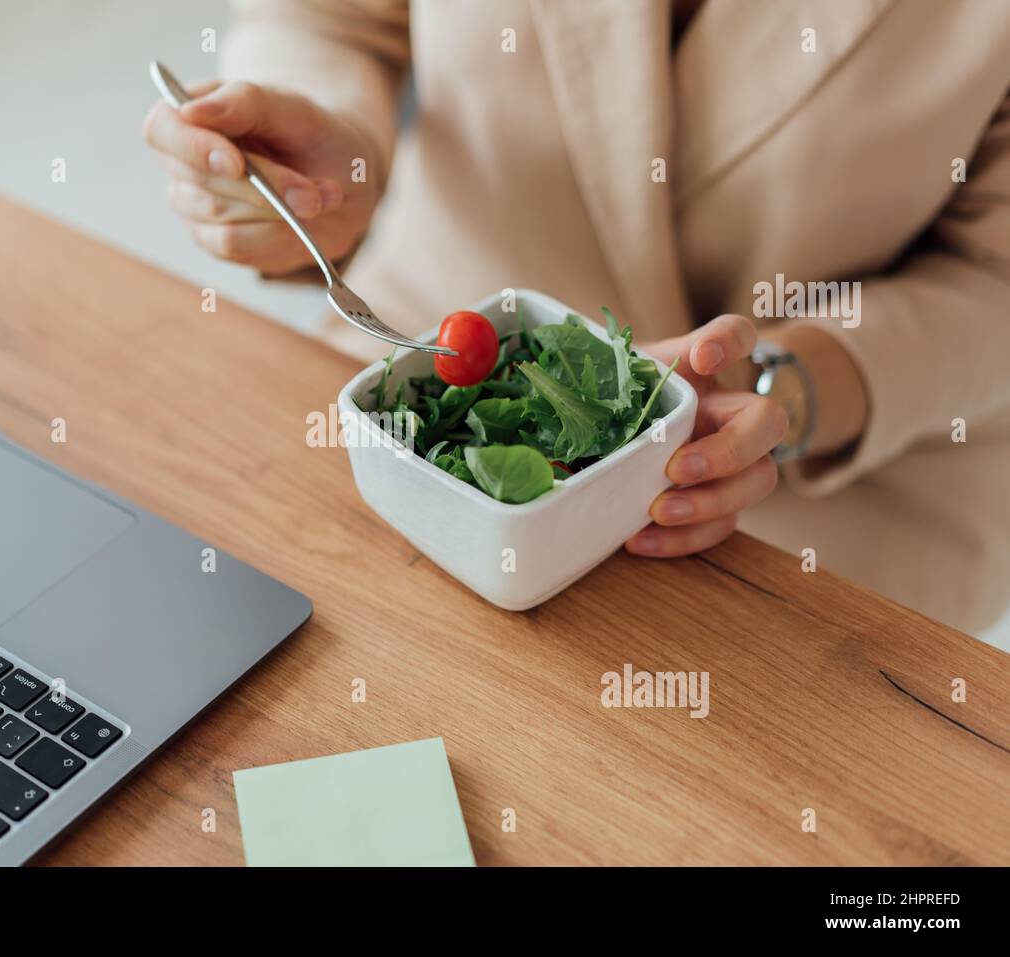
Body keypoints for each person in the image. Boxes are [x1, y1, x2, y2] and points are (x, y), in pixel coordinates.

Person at [144, 0, 1010, 636]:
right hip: (413, 371)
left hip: (813, 496)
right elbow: (330, 18)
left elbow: (993, 280)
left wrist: (788, 382)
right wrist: (325, 161)